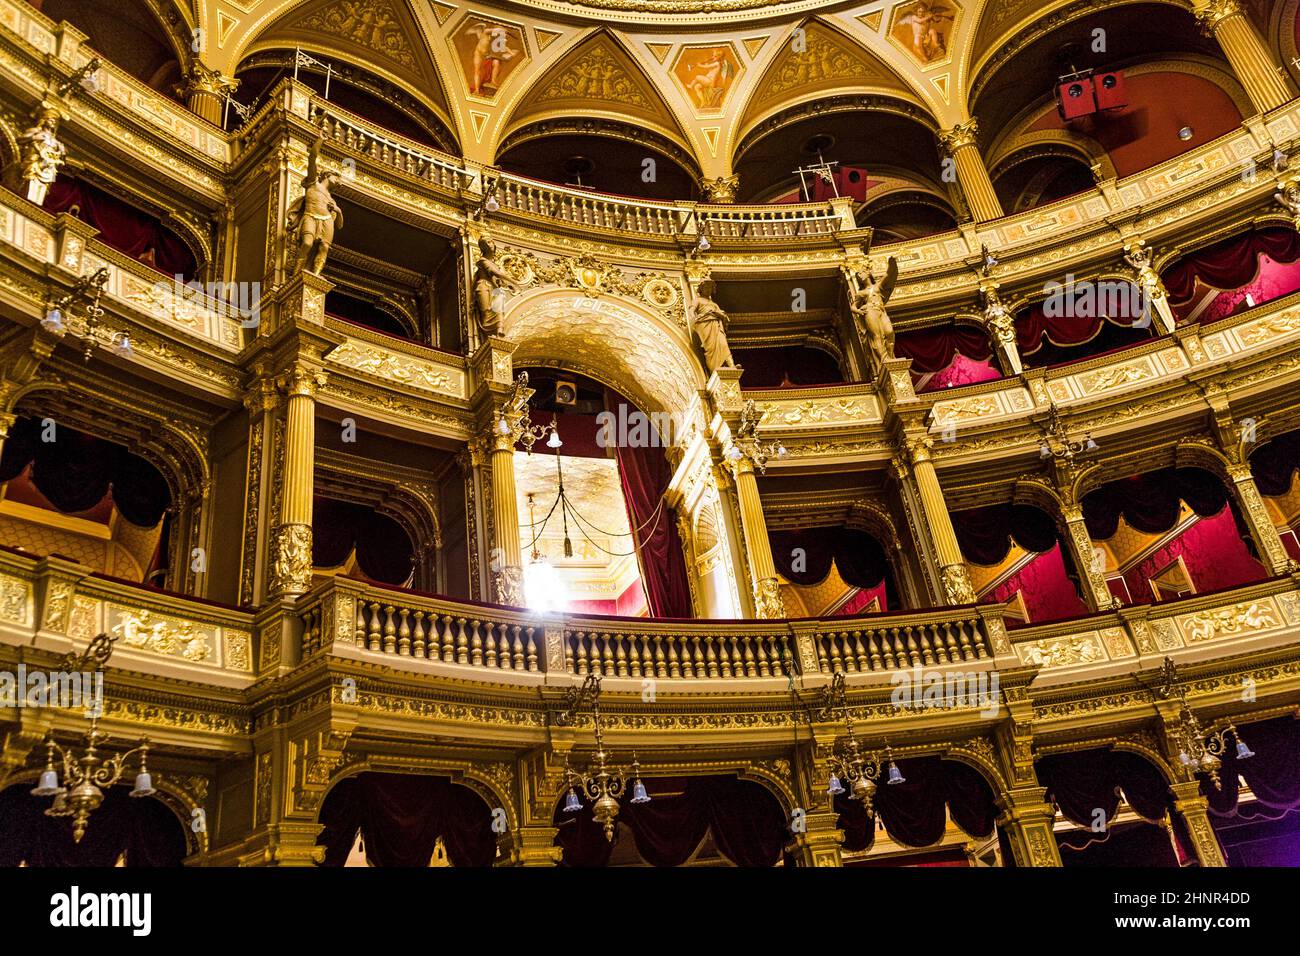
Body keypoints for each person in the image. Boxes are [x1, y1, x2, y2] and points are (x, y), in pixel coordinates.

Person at [285, 130, 343, 275]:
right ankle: (296, 274)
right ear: (328, 175)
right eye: (337, 177)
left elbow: (340, 225)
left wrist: (338, 210)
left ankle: (315, 275)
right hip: (310, 216)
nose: (339, 182)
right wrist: (320, 141)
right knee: (307, 243)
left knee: (324, 247)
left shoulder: (331, 199)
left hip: (327, 221)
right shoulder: (313, 183)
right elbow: (312, 158)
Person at [692, 279, 735, 373]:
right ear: (701, 289)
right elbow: (692, 310)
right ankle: (714, 371)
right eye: (706, 287)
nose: (708, 290)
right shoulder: (698, 300)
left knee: (723, 345)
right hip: (705, 325)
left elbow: (725, 317)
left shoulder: (714, 304)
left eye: (710, 288)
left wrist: (719, 314)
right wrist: (696, 317)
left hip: (716, 325)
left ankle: (732, 366)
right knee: (710, 349)